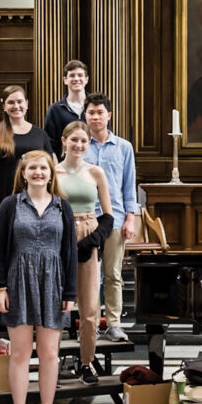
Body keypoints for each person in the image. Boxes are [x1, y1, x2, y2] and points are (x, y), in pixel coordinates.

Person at [0, 150, 79, 404]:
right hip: (18, 281)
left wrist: (70, 291)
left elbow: (70, 252)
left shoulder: (62, 207)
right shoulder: (10, 205)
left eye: (43, 168)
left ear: (51, 173)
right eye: (32, 168)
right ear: (23, 173)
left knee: (50, 354)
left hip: (53, 283)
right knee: (19, 353)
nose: (38, 172)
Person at [57, 120, 115, 383]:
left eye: (84, 141)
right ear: (64, 141)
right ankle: (51, 361)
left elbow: (108, 216)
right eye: (75, 140)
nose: (79, 145)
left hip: (88, 236)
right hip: (58, 236)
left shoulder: (95, 172)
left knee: (90, 307)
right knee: (56, 305)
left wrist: (93, 241)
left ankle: (86, 362)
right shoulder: (52, 173)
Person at [82, 95, 139, 343]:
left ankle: (114, 322)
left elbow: (129, 185)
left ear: (109, 115)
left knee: (113, 274)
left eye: (100, 112)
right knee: (90, 276)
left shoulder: (123, 147)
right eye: (91, 112)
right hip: (87, 219)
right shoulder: (80, 146)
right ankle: (91, 322)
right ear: (85, 116)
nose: (95, 117)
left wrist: (131, 218)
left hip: (114, 218)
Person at [0, 84, 49, 199]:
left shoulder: (40, 134)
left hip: (33, 198)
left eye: (20, 101)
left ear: (27, 103)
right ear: (4, 106)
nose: (16, 106)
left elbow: (49, 167)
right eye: (11, 102)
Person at [44, 60, 91, 157]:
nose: (76, 78)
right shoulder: (55, 110)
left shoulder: (95, 106)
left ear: (86, 79)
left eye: (80, 75)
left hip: (93, 164)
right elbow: (49, 143)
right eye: (72, 75)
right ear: (65, 80)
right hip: (65, 165)